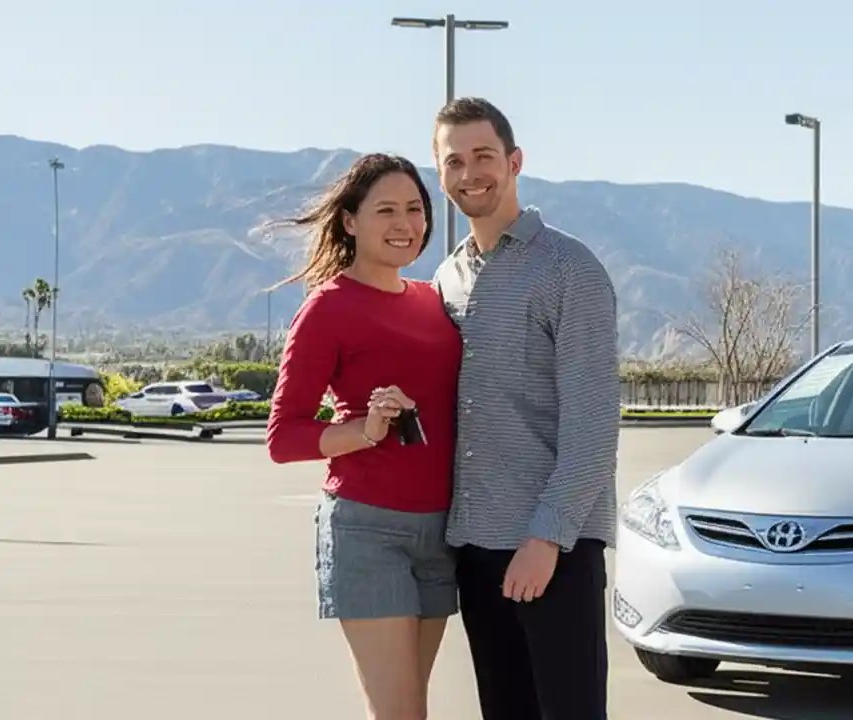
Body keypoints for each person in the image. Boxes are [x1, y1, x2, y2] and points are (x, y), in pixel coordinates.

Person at [431, 96, 620, 720]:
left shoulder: (570, 269)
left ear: (514, 162)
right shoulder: (447, 278)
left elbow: (594, 424)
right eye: (453, 161)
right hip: (476, 548)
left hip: (553, 550)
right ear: (442, 174)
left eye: (483, 155)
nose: (470, 172)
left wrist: (547, 536)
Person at [264, 153, 461, 720]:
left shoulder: (433, 300)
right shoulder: (328, 307)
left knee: (410, 707)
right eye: (386, 211)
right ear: (350, 221)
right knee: (400, 713)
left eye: (414, 209)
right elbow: (284, 437)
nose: (404, 224)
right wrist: (363, 430)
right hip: (368, 529)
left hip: (442, 530)